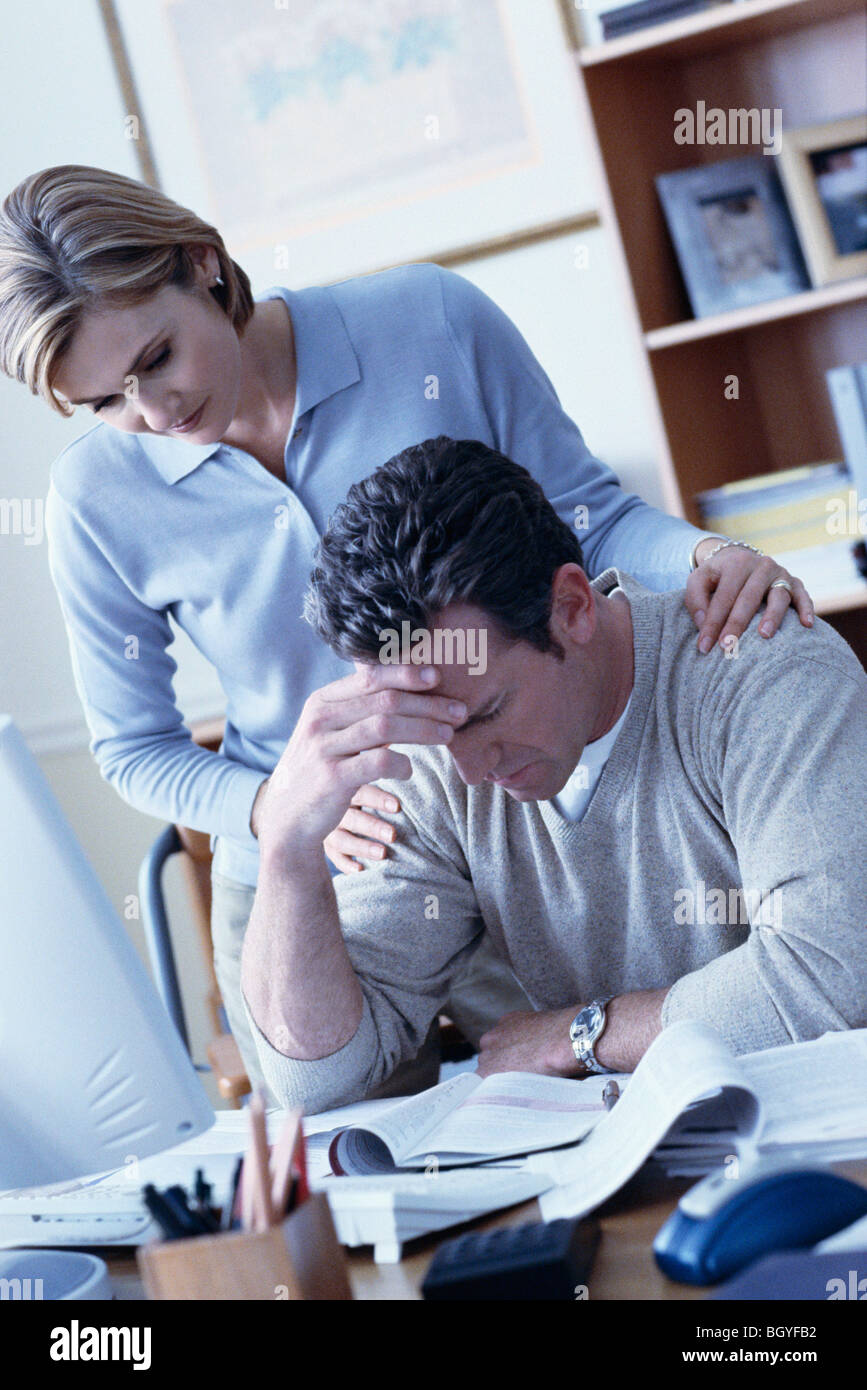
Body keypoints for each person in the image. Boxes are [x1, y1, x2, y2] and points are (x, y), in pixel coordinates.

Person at [0, 165, 814, 1095]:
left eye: (156, 359)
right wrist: (281, 814)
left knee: (550, 1089)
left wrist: (710, 556)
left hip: (485, 815)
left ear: (204, 266)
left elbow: (586, 517)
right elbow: (133, 748)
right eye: (105, 402)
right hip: (297, 863)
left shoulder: (427, 321)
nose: (153, 414)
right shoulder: (95, 497)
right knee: (352, 1156)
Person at [239, 437, 867, 1113]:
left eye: (486, 714)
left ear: (571, 606)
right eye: (433, 732)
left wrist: (582, 1036)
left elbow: (827, 983)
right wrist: (285, 850)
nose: (468, 770)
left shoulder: (764, 674)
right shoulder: (431, 757)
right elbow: (317, 1078)